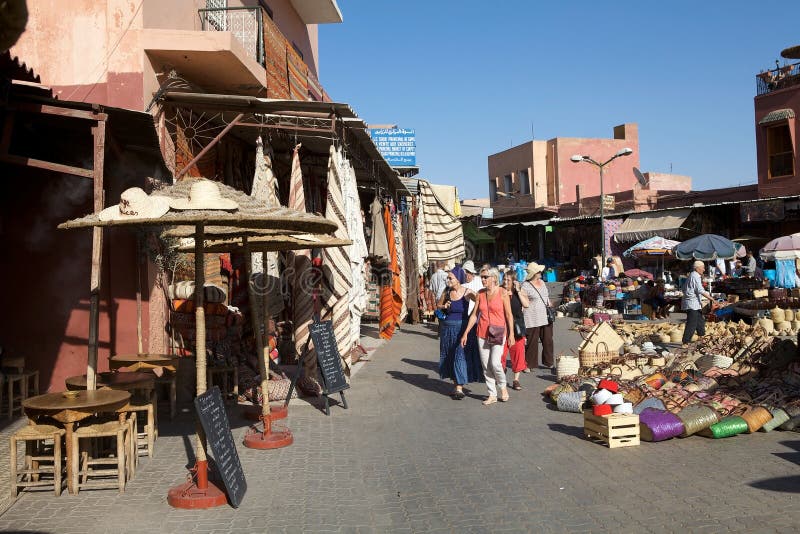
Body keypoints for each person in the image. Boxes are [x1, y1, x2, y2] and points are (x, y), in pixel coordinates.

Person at [461, 266, 514, 405]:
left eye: (485, 277)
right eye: (482, 277)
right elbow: (474, 315)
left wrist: (511, 334)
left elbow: (509, 315)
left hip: (498, 331)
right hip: (482, 332)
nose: (483, 279)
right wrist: (466, 333)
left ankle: (502, 386)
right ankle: (492, 394)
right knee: (486, 365)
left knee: (495, 363)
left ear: (494, 278)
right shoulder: (480, 294)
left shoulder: (502, 292)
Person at [436, 271, 480, 400]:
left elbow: (480, 300)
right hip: (447, 330)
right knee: (450, 356)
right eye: (448, 278)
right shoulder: (447, 291)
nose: (448, 280)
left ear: (458, 279)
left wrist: (472, 314)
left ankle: (459, 388)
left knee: (459, 356)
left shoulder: (467, 292)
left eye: (451, 278)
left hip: (462, 329)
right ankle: (456, 386)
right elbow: (438, 305)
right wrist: (444, 305)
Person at [521, 262, 554, 372]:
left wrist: (549, 302)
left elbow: (546, 296)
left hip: (545, 316)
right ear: (534, 273)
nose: (541, 272)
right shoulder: (525, 285)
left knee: (548, 340)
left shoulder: (542, 283)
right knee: (532, 342)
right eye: (538, 271)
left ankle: (549, 362)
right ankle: (529, 364)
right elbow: (523, 301)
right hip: (532, 317)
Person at [502, 269, 529, 390]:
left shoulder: (520, 291)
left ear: (514, 281)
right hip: (502, 326)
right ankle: (502, 372)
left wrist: (518, 291)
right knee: (500, 354)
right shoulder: (500, 291)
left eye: (508, 280)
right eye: (504, 279)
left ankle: (516, 380)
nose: (505, 281)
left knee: (518, 353)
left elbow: (526, 304)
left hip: (517, 326)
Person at [681, 260, 717, 345]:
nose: (704, 270)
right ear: (697, 268)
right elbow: (700, 290)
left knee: (700, 321)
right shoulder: (694, 276)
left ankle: (702, 338)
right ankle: (685, 342)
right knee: (692, 323)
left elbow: (685, 288)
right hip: (692, 303)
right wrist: (711, 299)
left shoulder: (694, 275)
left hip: (695, 303)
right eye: (703, 268)